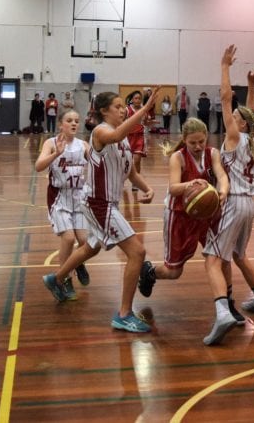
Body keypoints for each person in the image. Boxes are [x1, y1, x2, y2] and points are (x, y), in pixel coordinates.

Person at [42, 88, 159, 333]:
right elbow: (116, 135)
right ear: (104, 111)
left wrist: (147, 188)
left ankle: (57, 278)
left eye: (122, 106)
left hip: (106, 203)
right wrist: (144, 110)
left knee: (90, 247)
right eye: (117, 106)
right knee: (137, 252)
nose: (122, 109)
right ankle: (124, 314)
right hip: (99, 203)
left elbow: (131, 172)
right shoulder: (101, 132)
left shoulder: (124, 138)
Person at [137, 114, 231, 343]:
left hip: (206, 215)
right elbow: (173, 187)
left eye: (202, 141)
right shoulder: (177, 158)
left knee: (220, 258)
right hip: (179, 215)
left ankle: (228, 307)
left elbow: (221, 175)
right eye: (193, 143)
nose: (198, 146)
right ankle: (149, 272)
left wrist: (223, 190)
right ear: (185, 140)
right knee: (174, 271)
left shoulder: (213, 153)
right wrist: (192, 185)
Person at [207, 45, 254, 342]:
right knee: (240, 255)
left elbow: (225, 98)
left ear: (240, 123)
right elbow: (248, 111)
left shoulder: (234, 136)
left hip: (233, 203)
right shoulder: (250, 138)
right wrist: (250, 84)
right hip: (250, 204)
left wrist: (224, 67)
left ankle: (222, 312)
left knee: (214, 258)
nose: (230, 117)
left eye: (235, 116)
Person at [37, 108, 91, 302]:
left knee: (85, 243)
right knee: (68, 239)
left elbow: (97, 162)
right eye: (69, 120)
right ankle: (63, 280)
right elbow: (38, 166)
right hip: (59, 197)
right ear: (61, 124)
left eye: (77, 120)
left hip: (79, 197)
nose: (74, 123)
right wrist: (55, 154)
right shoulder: (51, 143)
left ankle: (76, 263)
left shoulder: (83, 144)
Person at [125, 90, 149, 197]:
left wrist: (147, 121)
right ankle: (124, 178)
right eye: (136, 98)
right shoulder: (127, 110)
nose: (138, 100)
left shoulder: (144, 110)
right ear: (132, 99)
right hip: (128, 137)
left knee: (137, 160)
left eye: (139, 98)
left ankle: (135, 182)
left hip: (139, 137)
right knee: (125, 161)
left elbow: (146, 122)